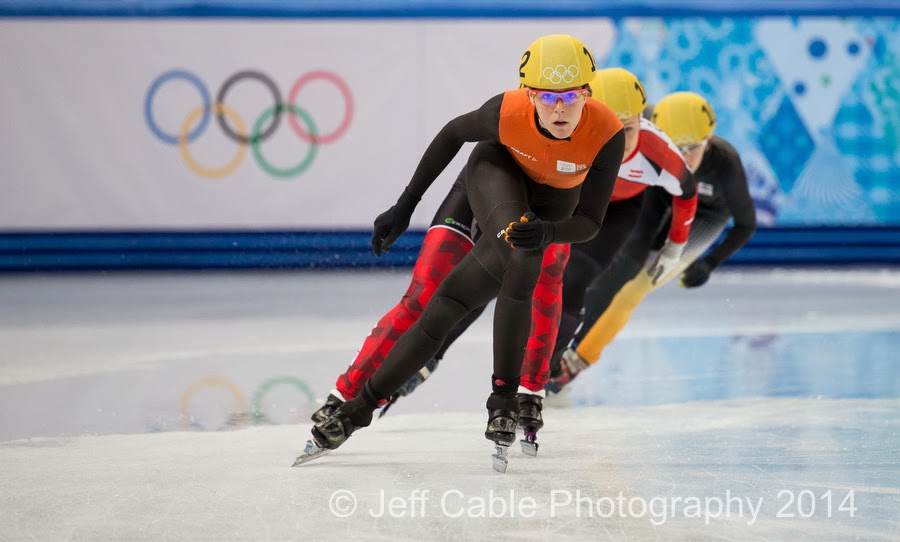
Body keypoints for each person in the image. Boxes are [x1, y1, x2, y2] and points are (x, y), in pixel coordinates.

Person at [302, 34, 625, 462]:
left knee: (471, 295)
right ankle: (492, 401)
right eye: (548, 96)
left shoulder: (607, 132)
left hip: (550, 210)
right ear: (529, 94)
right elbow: (453, 133)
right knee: (436, 289)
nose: (560, 108)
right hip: (493, 177)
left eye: (570, 95)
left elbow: (590, 223)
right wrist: (404, 206)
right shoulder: (507, 111)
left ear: (587, 92)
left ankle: (363, 411)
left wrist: (549, 232)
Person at [374, 68, 700, 446]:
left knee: (573, 283)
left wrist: (676, 245)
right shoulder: (572, 123)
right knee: (496, 276)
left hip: (612, 211)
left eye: (628, 129)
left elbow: (687, 193)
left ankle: (536, 382)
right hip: (565, 198)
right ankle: (432, 356)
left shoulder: (659, 153)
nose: (619, 137)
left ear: (642, 123)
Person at [550, 91, 758, 388]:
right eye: (676, 147)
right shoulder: (649, 132)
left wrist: (709, 263)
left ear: (709, 140)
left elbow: (746, 224)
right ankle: (559, 346)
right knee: (624, 260)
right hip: (663, 192)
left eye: (693, 148)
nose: (684, 157)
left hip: (705, 215)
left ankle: (578, 359)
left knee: (637, 286)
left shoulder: (726, 165)